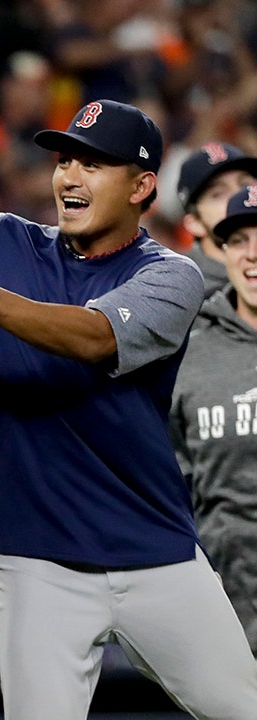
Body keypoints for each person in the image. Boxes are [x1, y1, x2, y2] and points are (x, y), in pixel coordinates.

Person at [0, 99, 257, 718]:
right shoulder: (2, 240)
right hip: (39, 562)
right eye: (65, 159)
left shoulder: (170, 275)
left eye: (94, 164)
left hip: (155, 554)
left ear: (142, 185)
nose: (70, 175)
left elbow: (95, 337)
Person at [171, 184, 257, 654]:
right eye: (238, 240)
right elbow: (171, 484)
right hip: (224, 622)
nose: (251, 254)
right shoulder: (189, 352)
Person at [176, 142, 257, 296]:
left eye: (246, 184)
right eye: (218, 193)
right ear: (195, 223)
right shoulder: (178, 289)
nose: (239, 196)